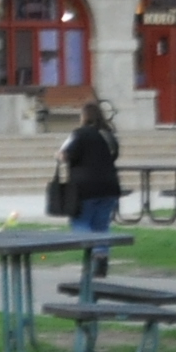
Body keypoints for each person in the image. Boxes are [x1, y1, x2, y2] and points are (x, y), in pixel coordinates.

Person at [61, 98, 123, 267]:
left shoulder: (79, 134)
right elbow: (114, 155)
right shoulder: (108, 134)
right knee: (101, 225)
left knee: (80, 223)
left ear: (84, 116)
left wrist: (59, 155)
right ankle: (102, 255)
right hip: (109, 186)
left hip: (84, 188)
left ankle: (95, 254)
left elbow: (66, 155)